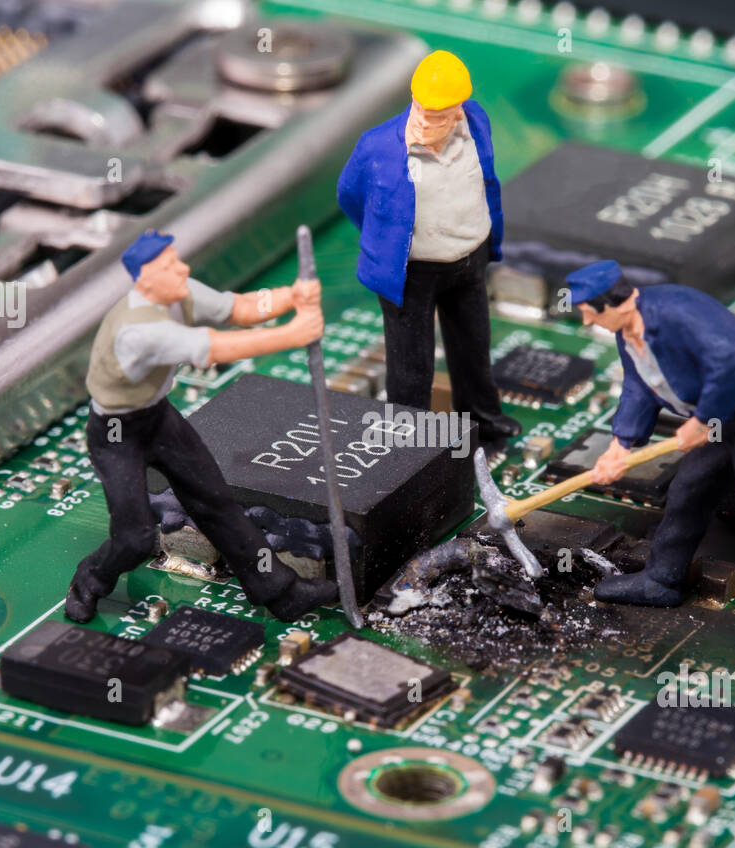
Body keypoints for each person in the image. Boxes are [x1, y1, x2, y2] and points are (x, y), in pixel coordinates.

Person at [65, 230, 338, 623]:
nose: (183, 268)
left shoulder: (177, 292)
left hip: (157, 416)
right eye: (170, 265)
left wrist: (290, 296)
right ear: (145, 279)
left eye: (177, 260)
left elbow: (239, 308)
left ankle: (282, 593)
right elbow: (217, 348)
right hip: (116, 433)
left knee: (218, 504)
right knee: (136, 538)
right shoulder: (139, 330)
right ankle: (88, 580)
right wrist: (293, 335)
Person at [567, 260, 735, 664]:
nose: (586, 319)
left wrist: (703, 421)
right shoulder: (627, 331)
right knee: (687, 492)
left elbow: (727, 362)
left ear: (620, 302)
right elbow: (638, 387)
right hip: (716, 419)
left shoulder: (677, 314)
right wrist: (621, 443)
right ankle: (662, 580)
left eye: (590, 311)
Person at [337, 50, 520, 444]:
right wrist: (384, 242)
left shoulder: (477, 123)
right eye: (420, 108)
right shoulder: (377, 146)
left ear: (457, 110)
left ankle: (483, 420)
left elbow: (487, 180)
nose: (423, 120)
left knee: (473, 347)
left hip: (471, 259)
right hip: (411, 269)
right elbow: (350, 195)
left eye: (436, 114)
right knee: (410, 363)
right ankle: (407, 441)